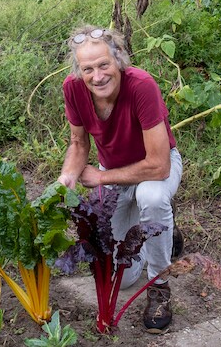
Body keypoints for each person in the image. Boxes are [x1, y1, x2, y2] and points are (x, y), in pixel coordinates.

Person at [58, 25, 183, 333]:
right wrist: (67, 177)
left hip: (155, 170)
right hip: (114, 174)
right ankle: (164, 233)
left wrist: (101, 176)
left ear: (118, 60)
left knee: (151, 197)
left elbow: (158, 166)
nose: (97, 76)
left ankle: (160, 287)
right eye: (88, 69)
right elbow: (78, 144)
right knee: (123, 277)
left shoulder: (141, 85)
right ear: (79, 71)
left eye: (103, 65)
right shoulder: (73, 89)